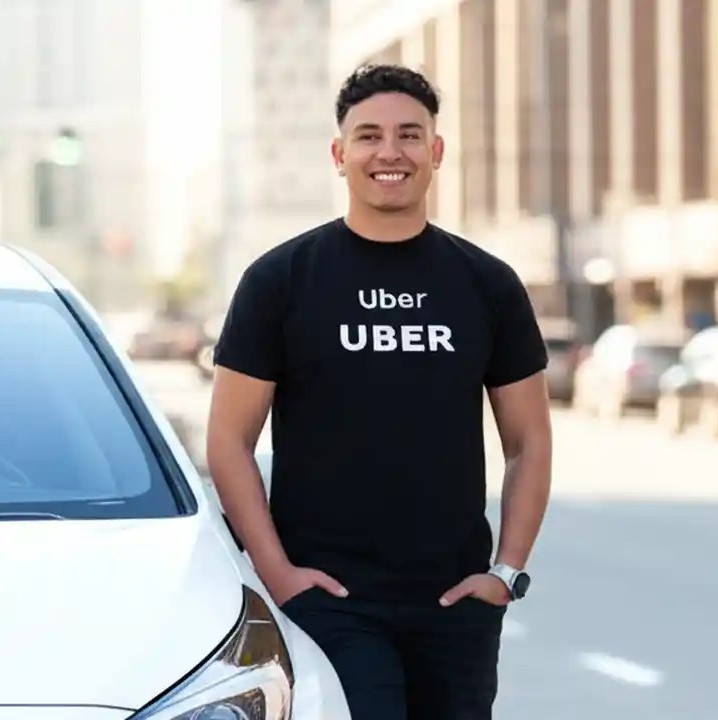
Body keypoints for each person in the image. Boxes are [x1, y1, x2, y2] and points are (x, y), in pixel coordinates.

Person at [205, 63, 553, 719]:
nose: (389, 152)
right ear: (339, 156)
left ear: (436, 152)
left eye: (409, 135)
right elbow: (229, 441)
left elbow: (529, 441)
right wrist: (279, 574)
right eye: (368, 136)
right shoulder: (281, 280)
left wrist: (504, 574)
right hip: (329, 600)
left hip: (456, 603)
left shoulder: (486, 283)